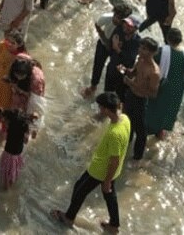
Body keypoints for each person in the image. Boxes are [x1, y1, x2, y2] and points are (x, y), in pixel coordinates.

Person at [50, 92, 129, 232]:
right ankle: (114, 225)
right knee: (110, 196)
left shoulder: (114, 134)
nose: (99, 110)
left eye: (100, 107)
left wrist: (107, 181)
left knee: (79, 189)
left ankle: (68, 218)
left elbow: (114, 160)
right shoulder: (125, 119)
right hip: (113, 171)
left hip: (100, 171)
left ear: (105, 109)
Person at [146, 27, 184, 140]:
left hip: (163, 87)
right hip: (179, 90)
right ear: (180, 40)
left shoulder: (162, 51)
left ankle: (147, 135)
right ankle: (160, 134)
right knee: (168, 112)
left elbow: (151, 66)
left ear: (167, 38)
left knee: (154, 111)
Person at [0, 107, 30, 190]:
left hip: (8, 155)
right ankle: (8, 191)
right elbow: (26, 141)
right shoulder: (23, 128)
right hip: (17, 156)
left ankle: (6, 191)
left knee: (6, 177)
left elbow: (4, 137)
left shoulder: (10, 127)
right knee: (13, 175)